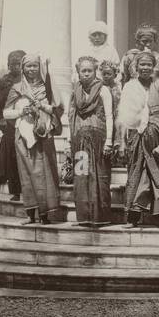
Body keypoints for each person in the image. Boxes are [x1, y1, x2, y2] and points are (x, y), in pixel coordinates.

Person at [3, 53, 65, 224]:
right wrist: (21, 112)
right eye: (28, 66)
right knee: (27, 175)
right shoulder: (17, 88)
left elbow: (58, 109)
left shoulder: (48, 87)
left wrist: (42, 107)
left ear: (40, 67)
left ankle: (45, 215)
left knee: (46, 174)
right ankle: (30, 215)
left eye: (35, 66)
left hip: (44, 135)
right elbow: (6, 112)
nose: (31, 69)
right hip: (24, 136)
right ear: (23, 68)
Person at [118, 50, 159, 225]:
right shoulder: (129, 87)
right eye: (142, 64)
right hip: (136, 135)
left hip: (156, 135)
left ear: (154, 67)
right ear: (136, 66)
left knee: (157, 175)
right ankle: (134, 215)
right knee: (137, 171)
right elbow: (123, 116)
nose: (145, 68)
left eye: (149, 64)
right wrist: (121, 142)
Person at [67, 55, 114, 226]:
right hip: (79, 142)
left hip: (98, 141)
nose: (86, 74)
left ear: (95, 72)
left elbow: (109, 116)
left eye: (89, 70)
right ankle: (84, 217)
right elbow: (71, 116)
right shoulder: (75, 92)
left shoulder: (103, 90)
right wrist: (68, 141)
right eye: (83, 71)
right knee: (81, 178)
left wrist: (109, 141)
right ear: (78, 72)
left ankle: (100, 217)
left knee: (99, 178)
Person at [0, 49, 25, 204]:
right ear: (8, 65)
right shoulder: (3, 82)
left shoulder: (30, 79)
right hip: (10, 123)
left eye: (18, 63)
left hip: (27, 122)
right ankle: (15, 191)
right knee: (12, 158)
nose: (15, 66)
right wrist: (1, 119)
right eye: (12, 64)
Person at [98, 59, 124, 166]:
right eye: (104, 74)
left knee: (117, 134)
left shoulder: (118, 87)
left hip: (116, 115)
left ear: (115, 74)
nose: (106, 76)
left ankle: (117, 158)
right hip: (105, 116)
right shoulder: (100, 87)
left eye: (109, 74)